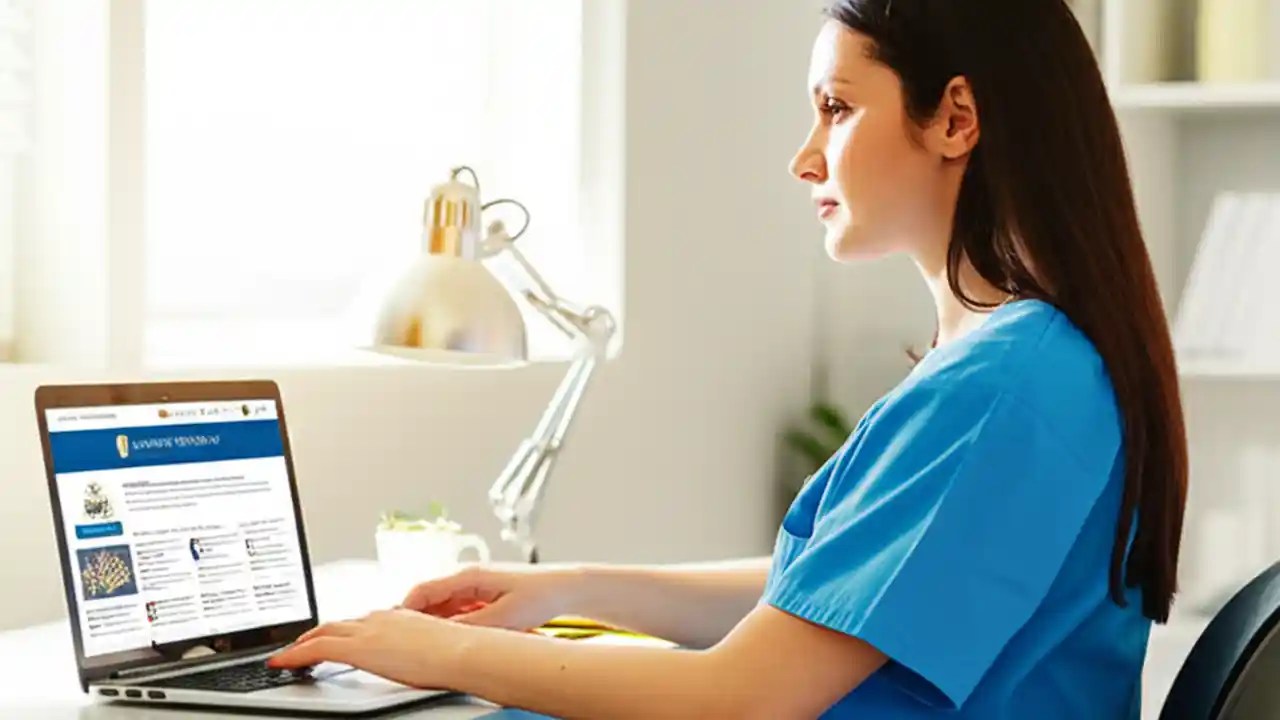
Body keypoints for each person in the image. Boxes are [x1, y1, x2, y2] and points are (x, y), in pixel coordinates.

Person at [269, 1, 1188, 717]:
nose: (804, 157)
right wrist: (569, 588)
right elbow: (841, 590)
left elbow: (740, 699)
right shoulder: (1026, 360)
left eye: (836, 109)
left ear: (955, 118)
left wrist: (417, 650)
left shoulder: (1005, 386)